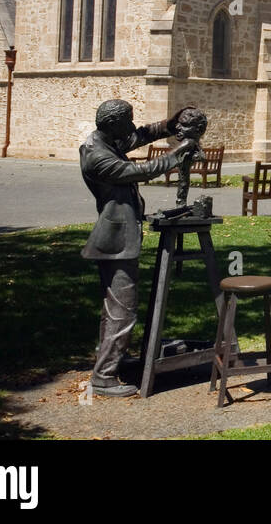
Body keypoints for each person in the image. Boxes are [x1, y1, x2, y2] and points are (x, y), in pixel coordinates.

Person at [80, 100, 200, 397]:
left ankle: (111, 362)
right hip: (115, 242)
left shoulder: (105, 139)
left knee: (115, 310)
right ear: (112, 125)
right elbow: (143, 171)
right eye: (128, 121)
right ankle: (104, 377)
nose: (132, 126)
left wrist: (169, 125)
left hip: (118, 239)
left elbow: (139, 136)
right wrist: (179, 152)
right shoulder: (98, 156)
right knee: (122, 311)